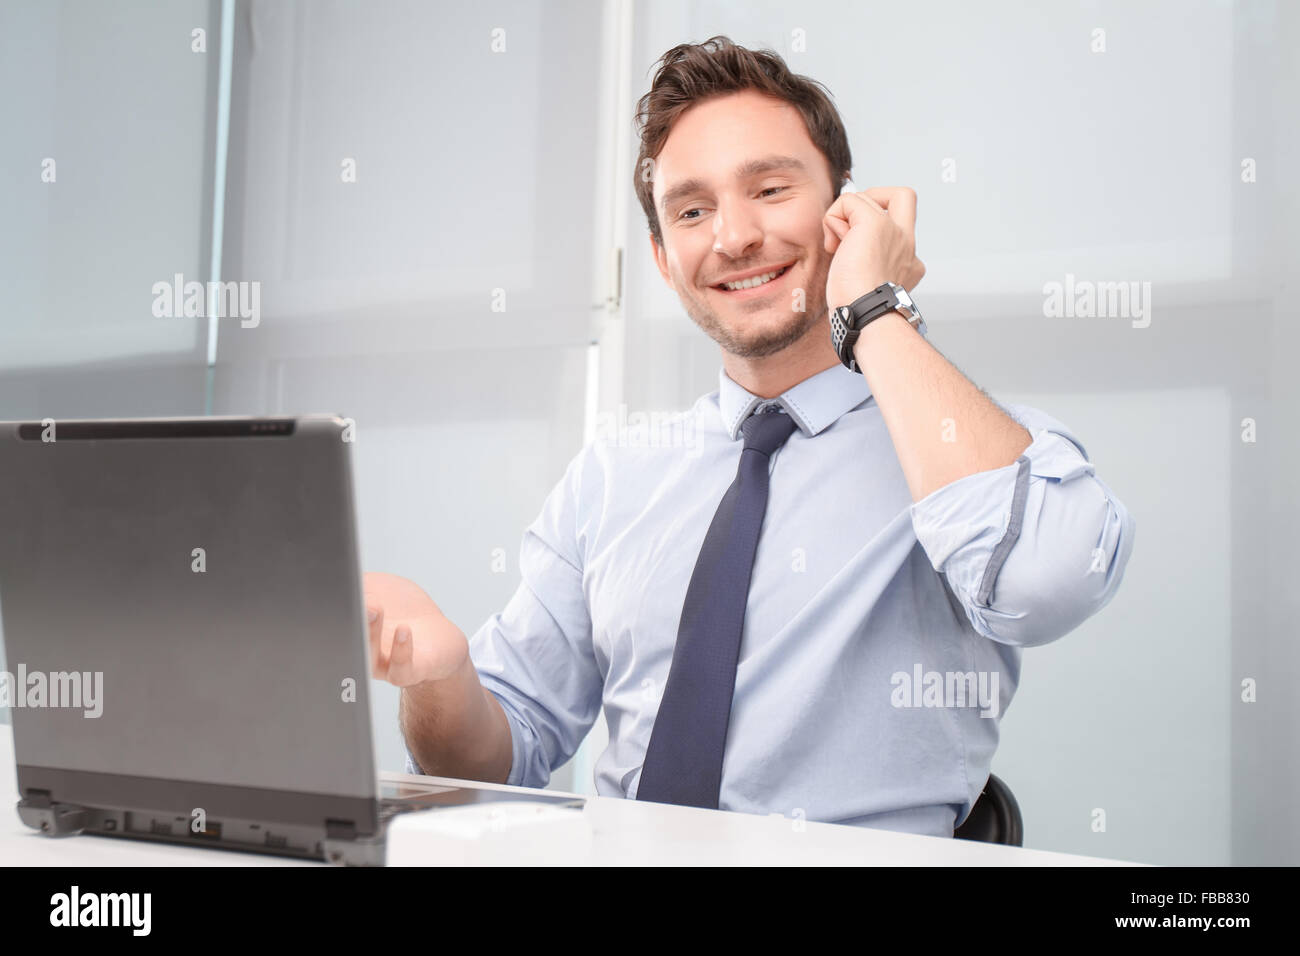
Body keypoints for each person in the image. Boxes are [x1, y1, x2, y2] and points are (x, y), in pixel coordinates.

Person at [367, 36, 1136, 838]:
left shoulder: (953, 448)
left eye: (769, 188)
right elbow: (491, 767)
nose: (732, 237)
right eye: (692, 211)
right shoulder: (612, 478)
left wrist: (873, 307)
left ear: (846, 214)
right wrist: (443, 678)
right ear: (664, 262)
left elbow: (1046, 583)